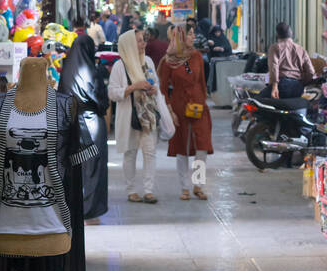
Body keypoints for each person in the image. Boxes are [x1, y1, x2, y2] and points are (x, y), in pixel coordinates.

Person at [108, 28, 172, 203]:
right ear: (128, 43)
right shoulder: (120, 66)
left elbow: (156, 83)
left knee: (150, 153)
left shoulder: (148, 62)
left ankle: (149, 190)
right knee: (130, 153)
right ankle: (131, 190)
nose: (143, 44)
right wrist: (133, 87)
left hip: (148, 116)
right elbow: (112, 93)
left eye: (143, 40)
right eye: (138, 41)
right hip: (129, 117)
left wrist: (153, 88)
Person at [157, 24, 212, 201]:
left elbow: (202, 82)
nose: (192, 37)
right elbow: (163, 89)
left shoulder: (196, 57)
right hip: (179, 107)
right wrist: (169, 111)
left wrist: (203, 102)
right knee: (181, 148)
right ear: (179, 38)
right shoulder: (168, 61)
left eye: (193, 33)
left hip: (198, 106)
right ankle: (184, 187)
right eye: (189, 34)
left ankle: (198, 185)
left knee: (201, 147)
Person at [58, 31, 109, 221]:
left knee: (74, 165)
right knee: (93, 167)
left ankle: (73, 207)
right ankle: (90, 208)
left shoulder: (66, 70)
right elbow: (100, 99)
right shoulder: (90, 70)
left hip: (71, 124)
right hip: (91, 122)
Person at [266, 22, 316, 99]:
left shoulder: (275, 47)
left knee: (255, 102)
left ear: (277, 35)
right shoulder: (301, 49)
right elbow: (311, 72)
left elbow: (274, 67)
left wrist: (274, 87)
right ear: (291, 34)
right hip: (298, 87)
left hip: (281, 86)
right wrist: (302, 84)